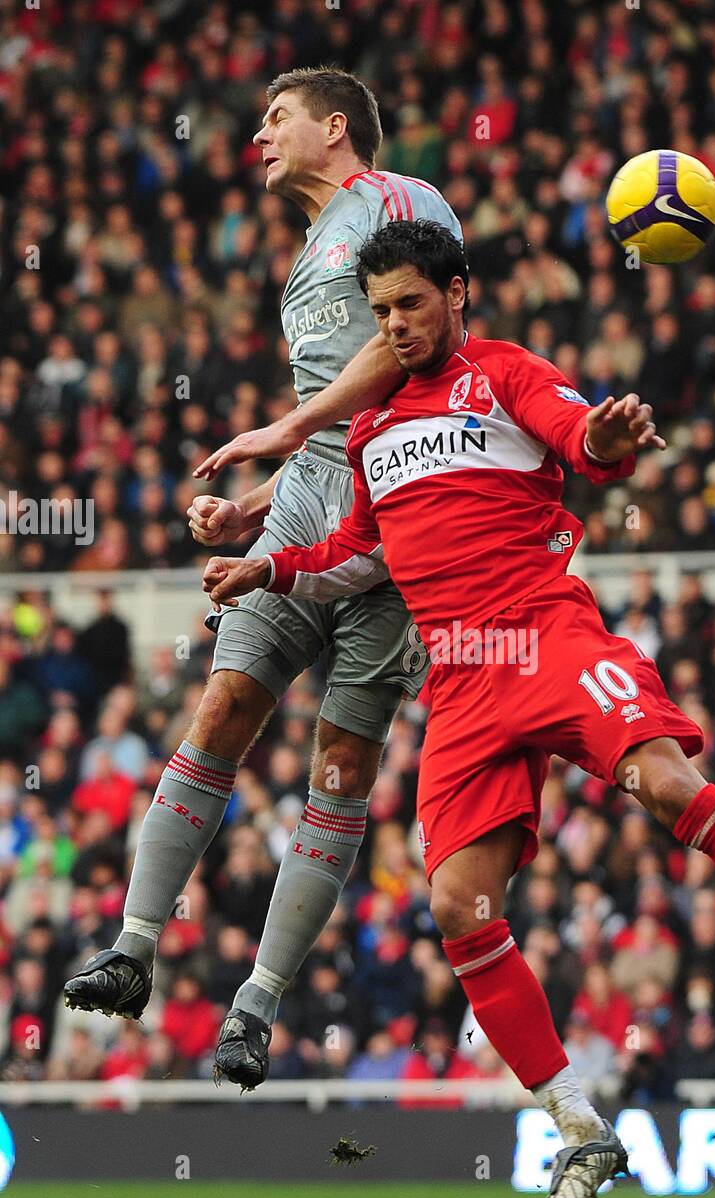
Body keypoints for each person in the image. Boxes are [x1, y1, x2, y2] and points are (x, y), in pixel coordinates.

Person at [203, 220, 715, 1198]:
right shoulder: (367, 430)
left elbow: (581, 438)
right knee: (456, 906)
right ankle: (577, 1123)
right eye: (381, 313)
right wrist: (264, 567)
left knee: (666, 785)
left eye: (411, 304)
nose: (396, 326)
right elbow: (361, 551)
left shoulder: (504, 373)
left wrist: (608, 441)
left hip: (543, 637)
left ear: (457, 293)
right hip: (455, 684)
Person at [62, 67, 463, 1089]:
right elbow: (332, 409)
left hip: (403, 508)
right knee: (225, 704)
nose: (256, 138)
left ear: (336, 128)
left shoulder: (396, 203)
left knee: (338, 766)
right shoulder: (308, 251)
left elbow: (408, 347)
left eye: (275, 119)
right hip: (306, 498)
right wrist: (257, 500)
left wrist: (288, 426)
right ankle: (134, 945)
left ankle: (256, 1004)